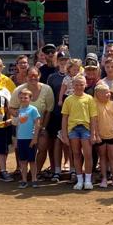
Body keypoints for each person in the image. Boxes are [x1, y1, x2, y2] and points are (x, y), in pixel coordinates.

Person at [13, 67, 54, 179]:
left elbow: (48, 111)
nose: (33, 77)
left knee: (42, 146)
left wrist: (43, 128)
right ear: (26, 77)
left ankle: (35, 173)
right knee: (21, 149)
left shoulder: (47, 89)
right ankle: (23, 173)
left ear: (39, 75)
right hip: (23, 129)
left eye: (35, 75)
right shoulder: (19, 90)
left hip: (40, 127)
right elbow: (11, 108)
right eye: (30, 75)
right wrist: (17, 114)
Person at [61, 75, 98, 191]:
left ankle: (87, 179)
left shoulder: (89, 99)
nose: (79, 87)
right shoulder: (68, 99)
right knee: (76, 154)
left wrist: (93, 134)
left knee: (88, 154)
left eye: (81, 84)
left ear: (85, 85)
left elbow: (93, 118)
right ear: (72, 85)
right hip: (73, 130)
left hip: (86, 129)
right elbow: (65, 118)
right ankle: (79, 180)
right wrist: (65, 134)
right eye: (76, 84)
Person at [46, 51, 70, 181]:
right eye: (61, 59)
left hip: (70, 115)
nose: (63, 61)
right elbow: (49, 96)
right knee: (56, 142)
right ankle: (56, 169)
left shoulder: (74, 76)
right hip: (56, 113)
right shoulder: (52, 77)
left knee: (69, 142)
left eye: (66, 59)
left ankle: (71, 167)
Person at [93, 82, 113, 188]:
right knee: (103, 158)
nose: (108, 94)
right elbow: (94, 122)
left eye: (108, 92)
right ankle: (104, 178)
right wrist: (97, 135)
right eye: (105, 92)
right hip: (100, 137)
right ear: (98, 94)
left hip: (112, 136)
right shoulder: (94, 104)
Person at [12, 89, 41, 189]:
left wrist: (35, 138)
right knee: (22, 161)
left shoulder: (33, 109)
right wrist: (16, 139)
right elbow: (18, 125)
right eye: (21, 98)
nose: (23, 99)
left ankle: (34, 179)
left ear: (30, 98)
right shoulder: (19, 111)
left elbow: (37, 124)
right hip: (21, 139)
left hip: (30, 138)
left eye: (26, 97)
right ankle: (24, 180)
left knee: (32, 161)